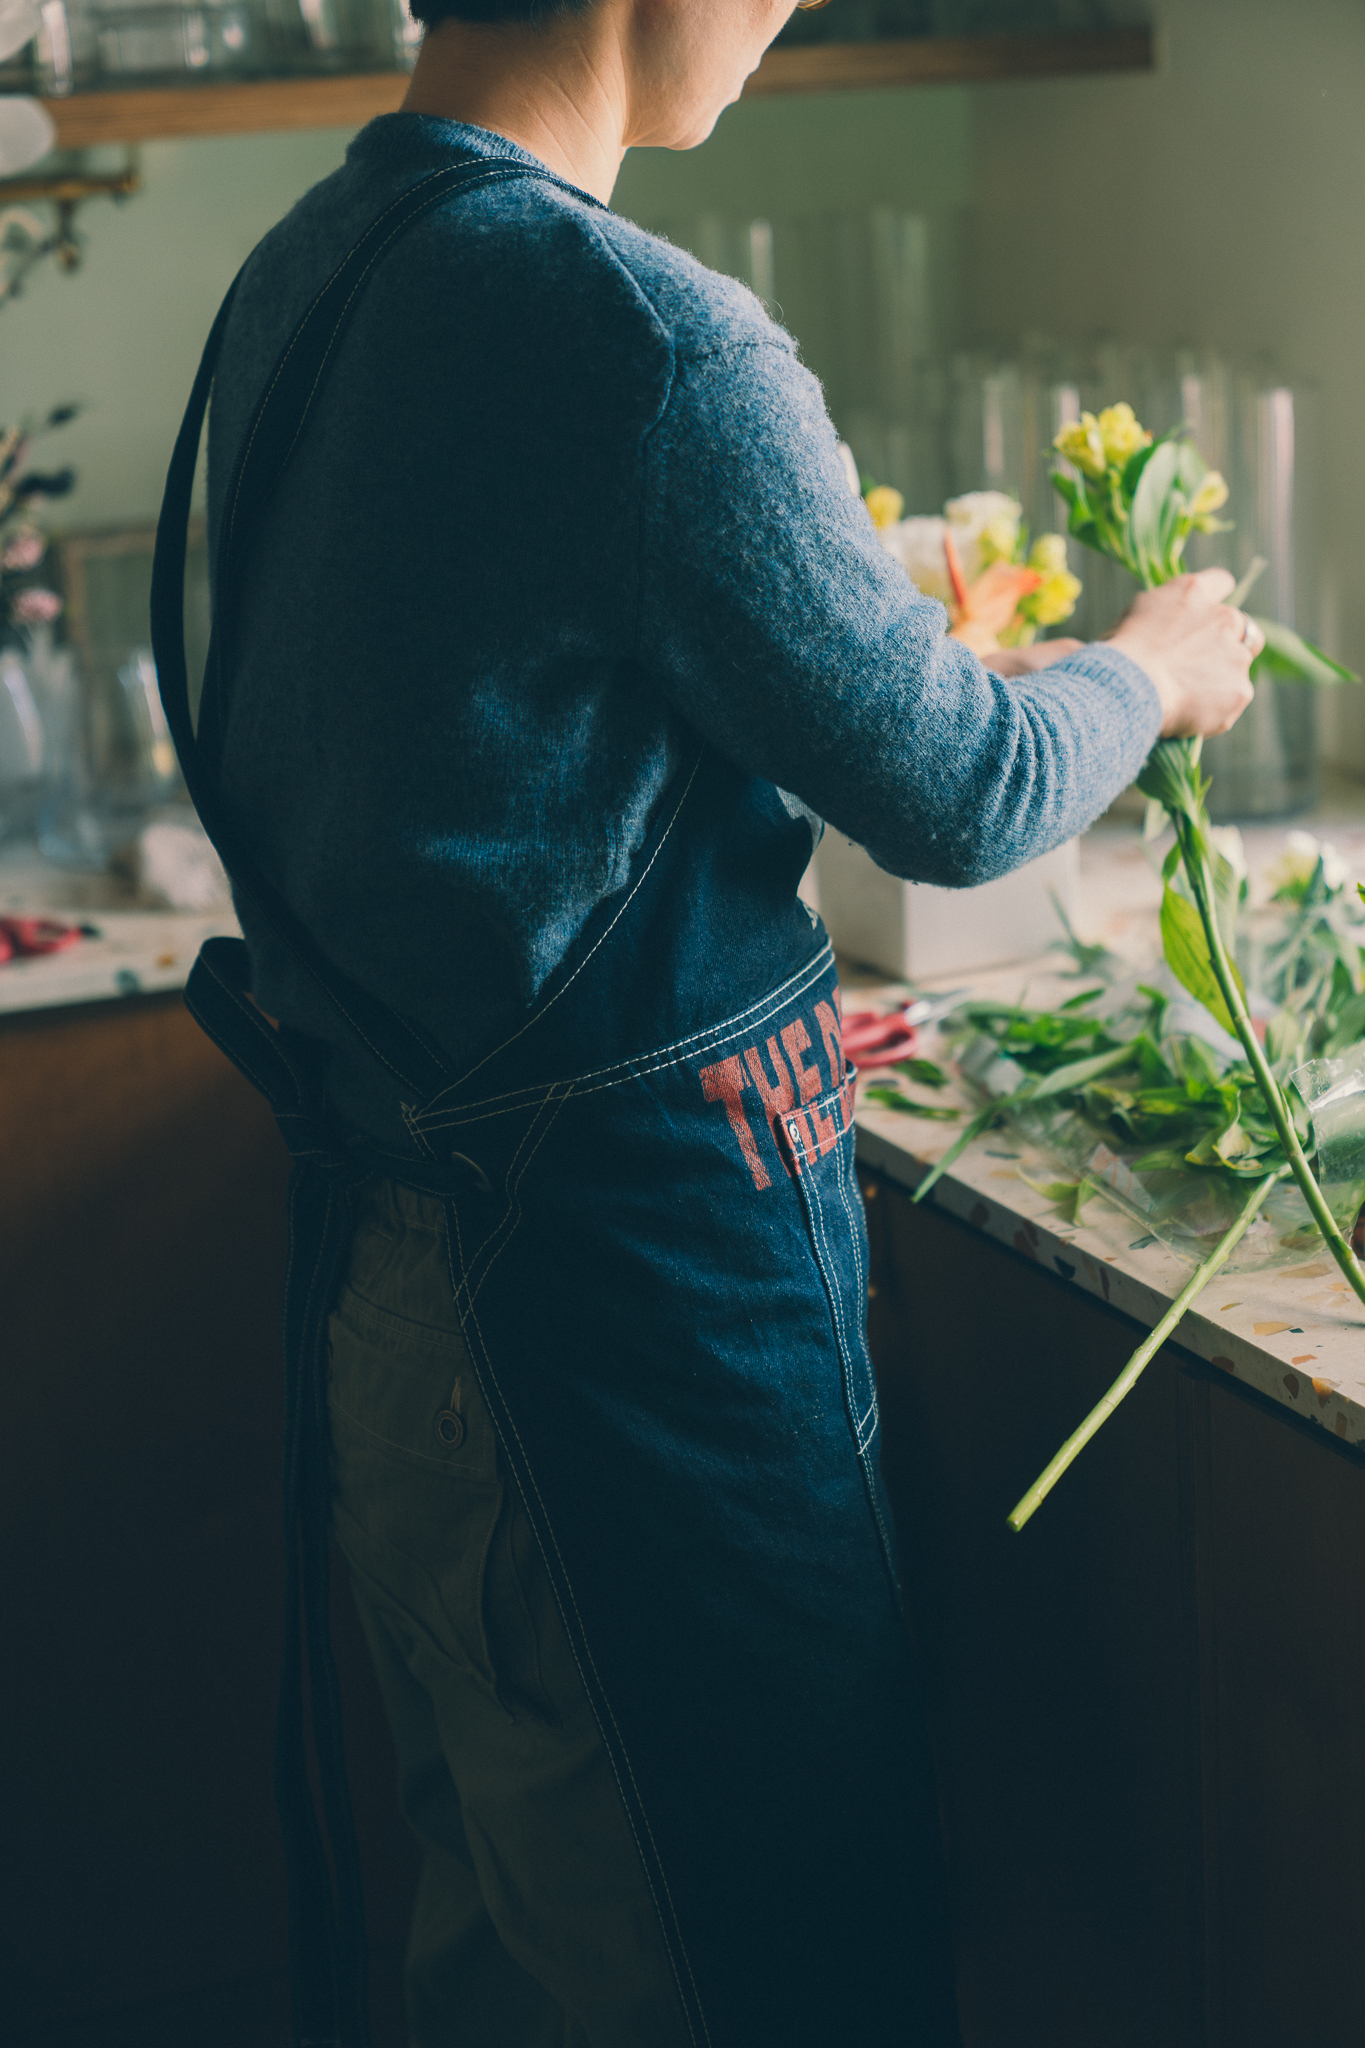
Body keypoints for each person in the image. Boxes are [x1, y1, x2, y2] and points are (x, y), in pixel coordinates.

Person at [157, 0, 1259, 2040]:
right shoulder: (644, 336)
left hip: (409, 1299)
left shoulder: (310, 268)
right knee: (762, 1980)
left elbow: (488, 786)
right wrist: (1150, 666)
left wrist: (735, 1001)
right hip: (604, 1333)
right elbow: (962, 793)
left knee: (518, 1965)